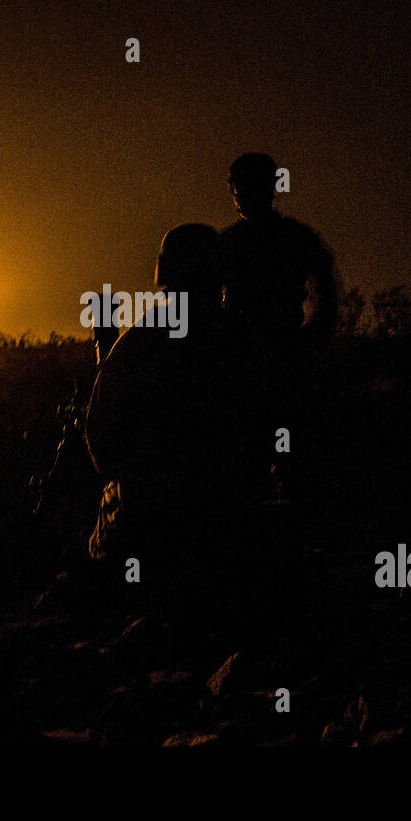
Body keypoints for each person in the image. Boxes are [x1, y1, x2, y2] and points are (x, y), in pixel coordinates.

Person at [84, 224, 269, 621]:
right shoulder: (241, 340)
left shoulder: (140, 339)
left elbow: (101, 432)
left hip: (147, 529)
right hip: (227, 533)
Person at [218, 152, 337, 500]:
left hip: (268, 364)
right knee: (276, 461)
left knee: (271, 462)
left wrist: (310, 341)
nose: (237, 194)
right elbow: (325, 294)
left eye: (241, 186)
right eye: (235, 187)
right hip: (265, 363)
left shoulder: (230, 243)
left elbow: (325, 295)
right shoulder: (295, 238)